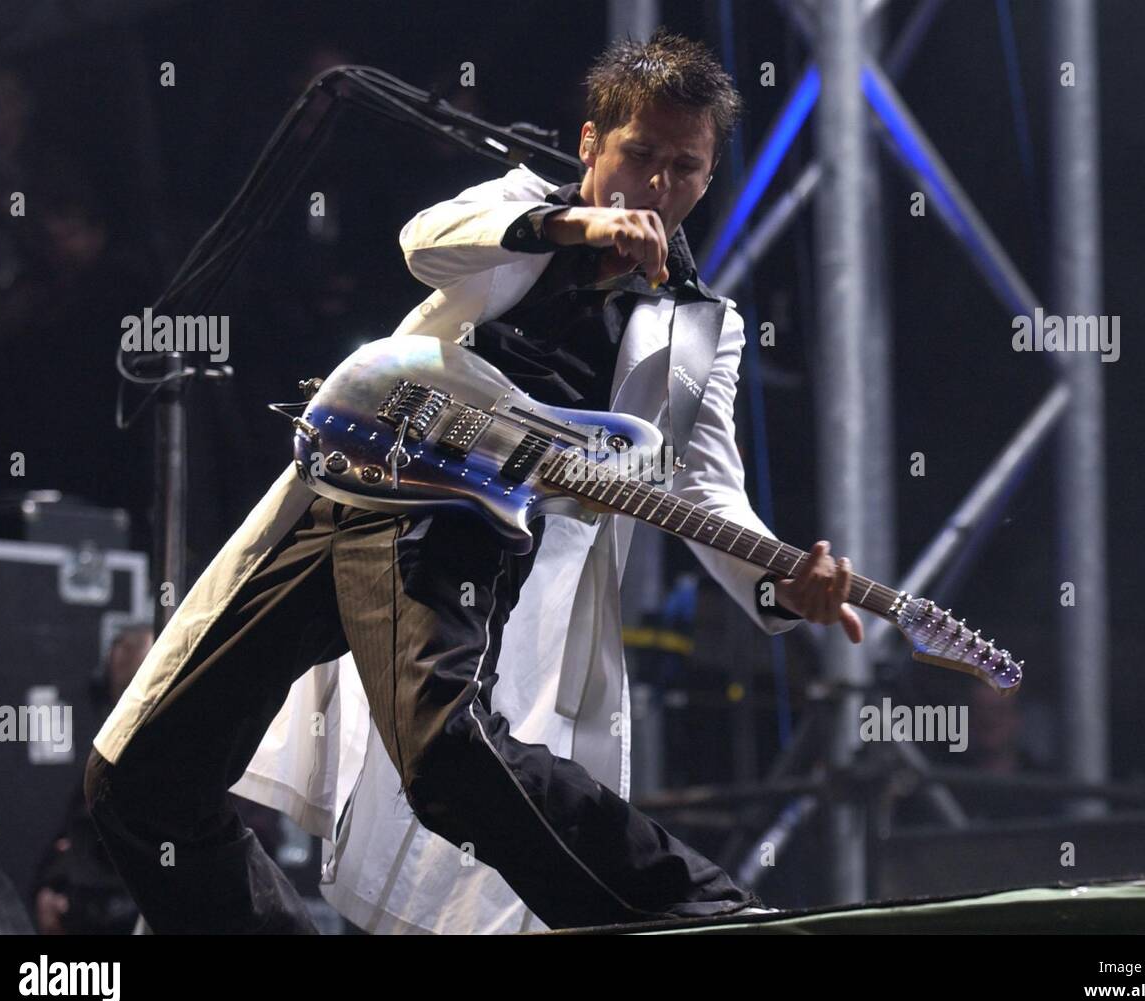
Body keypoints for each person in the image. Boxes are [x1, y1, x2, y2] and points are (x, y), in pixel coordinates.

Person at [85, 28, 863, 934]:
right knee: (138, 779)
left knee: (448, 752)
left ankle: (703, 914)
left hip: (463, 520)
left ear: (707, 176)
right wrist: (574, 222)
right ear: (589, 145)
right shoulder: (522, 204)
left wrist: (779, 576)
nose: (656, 186)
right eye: (637, 155)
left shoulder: (699, 327)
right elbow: (427, 242)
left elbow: (701, 488)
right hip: (351, 480)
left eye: (683, 167)